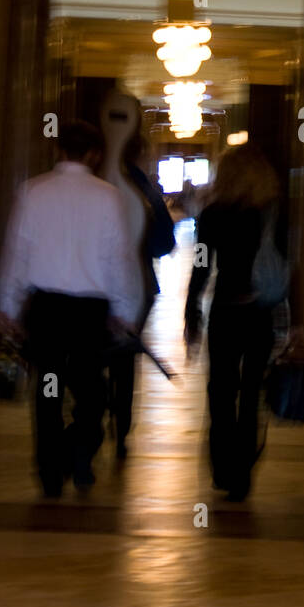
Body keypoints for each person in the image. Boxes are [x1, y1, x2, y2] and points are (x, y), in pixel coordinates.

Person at [0, 120, 141, 497]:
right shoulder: (107, 196)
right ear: (94, 154)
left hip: (45, 313)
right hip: (89, 316)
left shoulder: (32, 192)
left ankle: (49, 472)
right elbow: (118, 259)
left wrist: (7, 307)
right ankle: (79, 451)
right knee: (92, 395)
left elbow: (17, 253)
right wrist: (125, 309)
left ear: (59, 150)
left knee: (48, 392)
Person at [185, 144, 285, 502]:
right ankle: (244, 470)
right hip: (259, 314)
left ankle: (223, 467)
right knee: (251, 392)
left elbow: (200, 264)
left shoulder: (213, 215)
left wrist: (191, 311)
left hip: (226, 312)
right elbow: (287, 267)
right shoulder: (271, 215)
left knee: (222, 391)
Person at [105, 127, 176, 459]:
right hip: (139, 283)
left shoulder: (100, 182)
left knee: (93, 355)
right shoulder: (147, 190)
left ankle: (97, 407)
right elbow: (165, 244)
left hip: (97, 284)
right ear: (141, 154)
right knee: (124, 357)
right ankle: (121, 426)